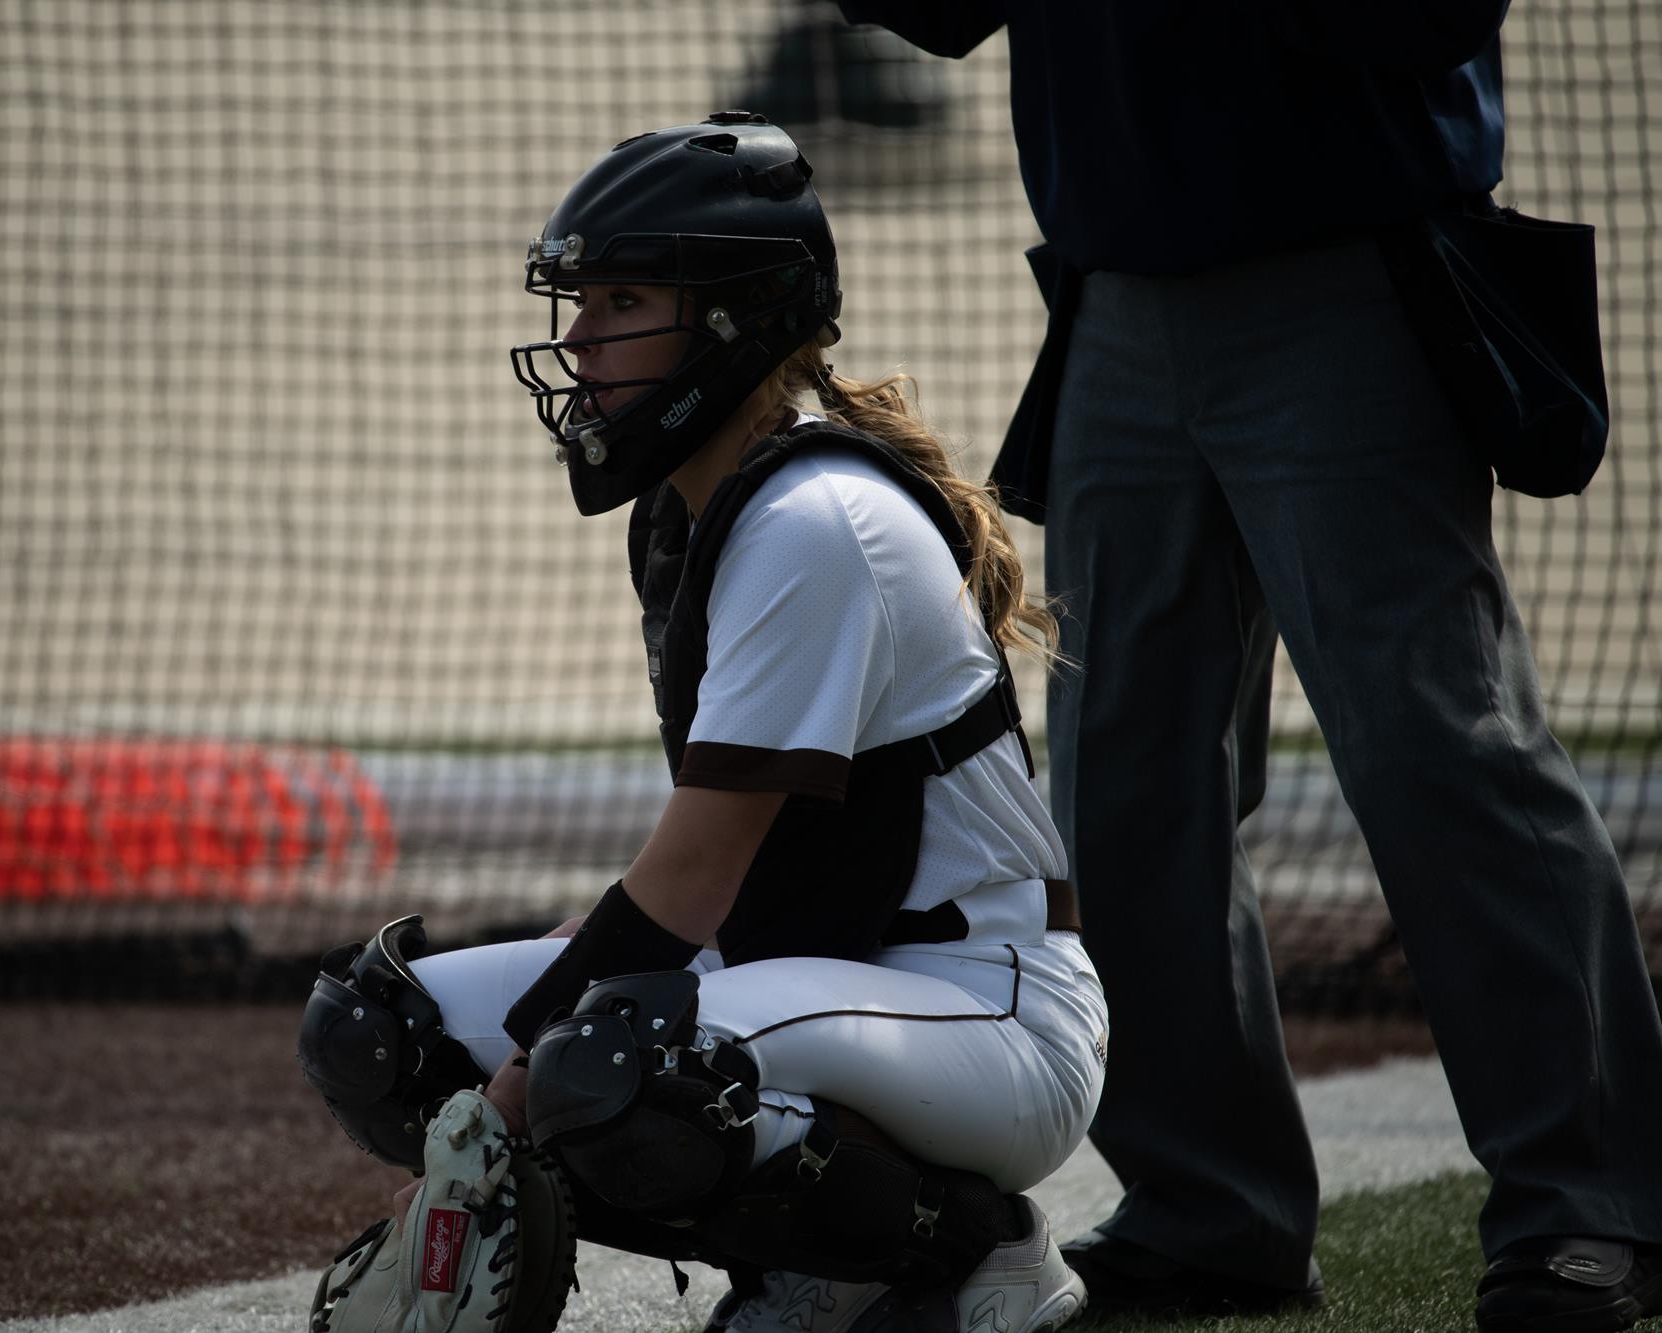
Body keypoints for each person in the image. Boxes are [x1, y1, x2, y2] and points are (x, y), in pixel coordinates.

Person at [827, 5, 1662, 1331]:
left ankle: (1592, 1203)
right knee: (1119, 785)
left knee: (1439, 748)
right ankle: (1213, 1213)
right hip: (1114, 297)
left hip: (1345, 276)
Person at [297, 114, 1107, 1333]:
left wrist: (499, 1118)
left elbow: (693, 872)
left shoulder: (814, 518)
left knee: (606, 1066)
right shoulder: (694, 507)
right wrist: (509, 1072)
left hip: (978, 1002)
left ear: (732, 318)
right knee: (382, 1031)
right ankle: (815, 1254)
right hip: (826, 969)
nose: (577, 337)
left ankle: (962, 1255)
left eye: (622, 301)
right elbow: (730, 868)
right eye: (583, 298)